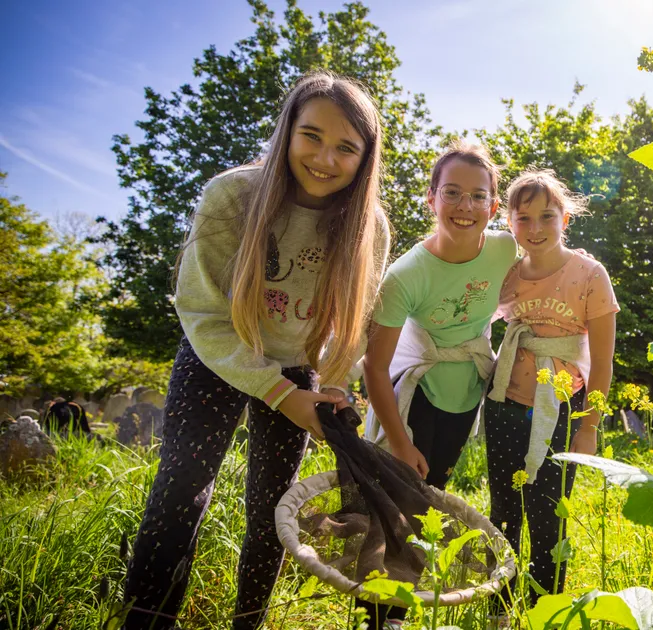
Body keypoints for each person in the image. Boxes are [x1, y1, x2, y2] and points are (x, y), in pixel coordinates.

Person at [122, 71, 390, 630]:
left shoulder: (370, 227)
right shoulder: (232, 197)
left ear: (365, 159)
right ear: (287, 130)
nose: (324, 158)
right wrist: (278, 392)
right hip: (220, 353)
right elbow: (201, 310)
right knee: (182, 487)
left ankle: (250, 619)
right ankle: (147, 618)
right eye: (311, 136)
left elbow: (353, 325)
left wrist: (331, 388)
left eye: (346, 147)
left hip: (298, 367)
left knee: (273, 506)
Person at [359, 140, 517, 628]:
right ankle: (381, 614)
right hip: (417, 392)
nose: (465, 207)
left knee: (434, 495)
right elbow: (373, 366)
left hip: (466, 389)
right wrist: (401, 443)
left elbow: (549, 270)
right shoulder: (406, 276)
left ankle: (413, 597)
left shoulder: (506, 248)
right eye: (452, 193)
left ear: (494, 205)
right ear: (431, 199)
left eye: (477, 196)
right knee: (398, 500)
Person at [486, 168, 618, 607]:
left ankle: (543, 608)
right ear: (509, 223)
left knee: (548, 517)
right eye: (523, 219)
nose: (535, 228)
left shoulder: (589, 274)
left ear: (566, 218)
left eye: (547, 216)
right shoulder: (504, 272)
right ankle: (499, 607)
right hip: (504, 403)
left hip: (562, 409)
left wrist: (589, 427)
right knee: (503, 511)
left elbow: (602, 363)